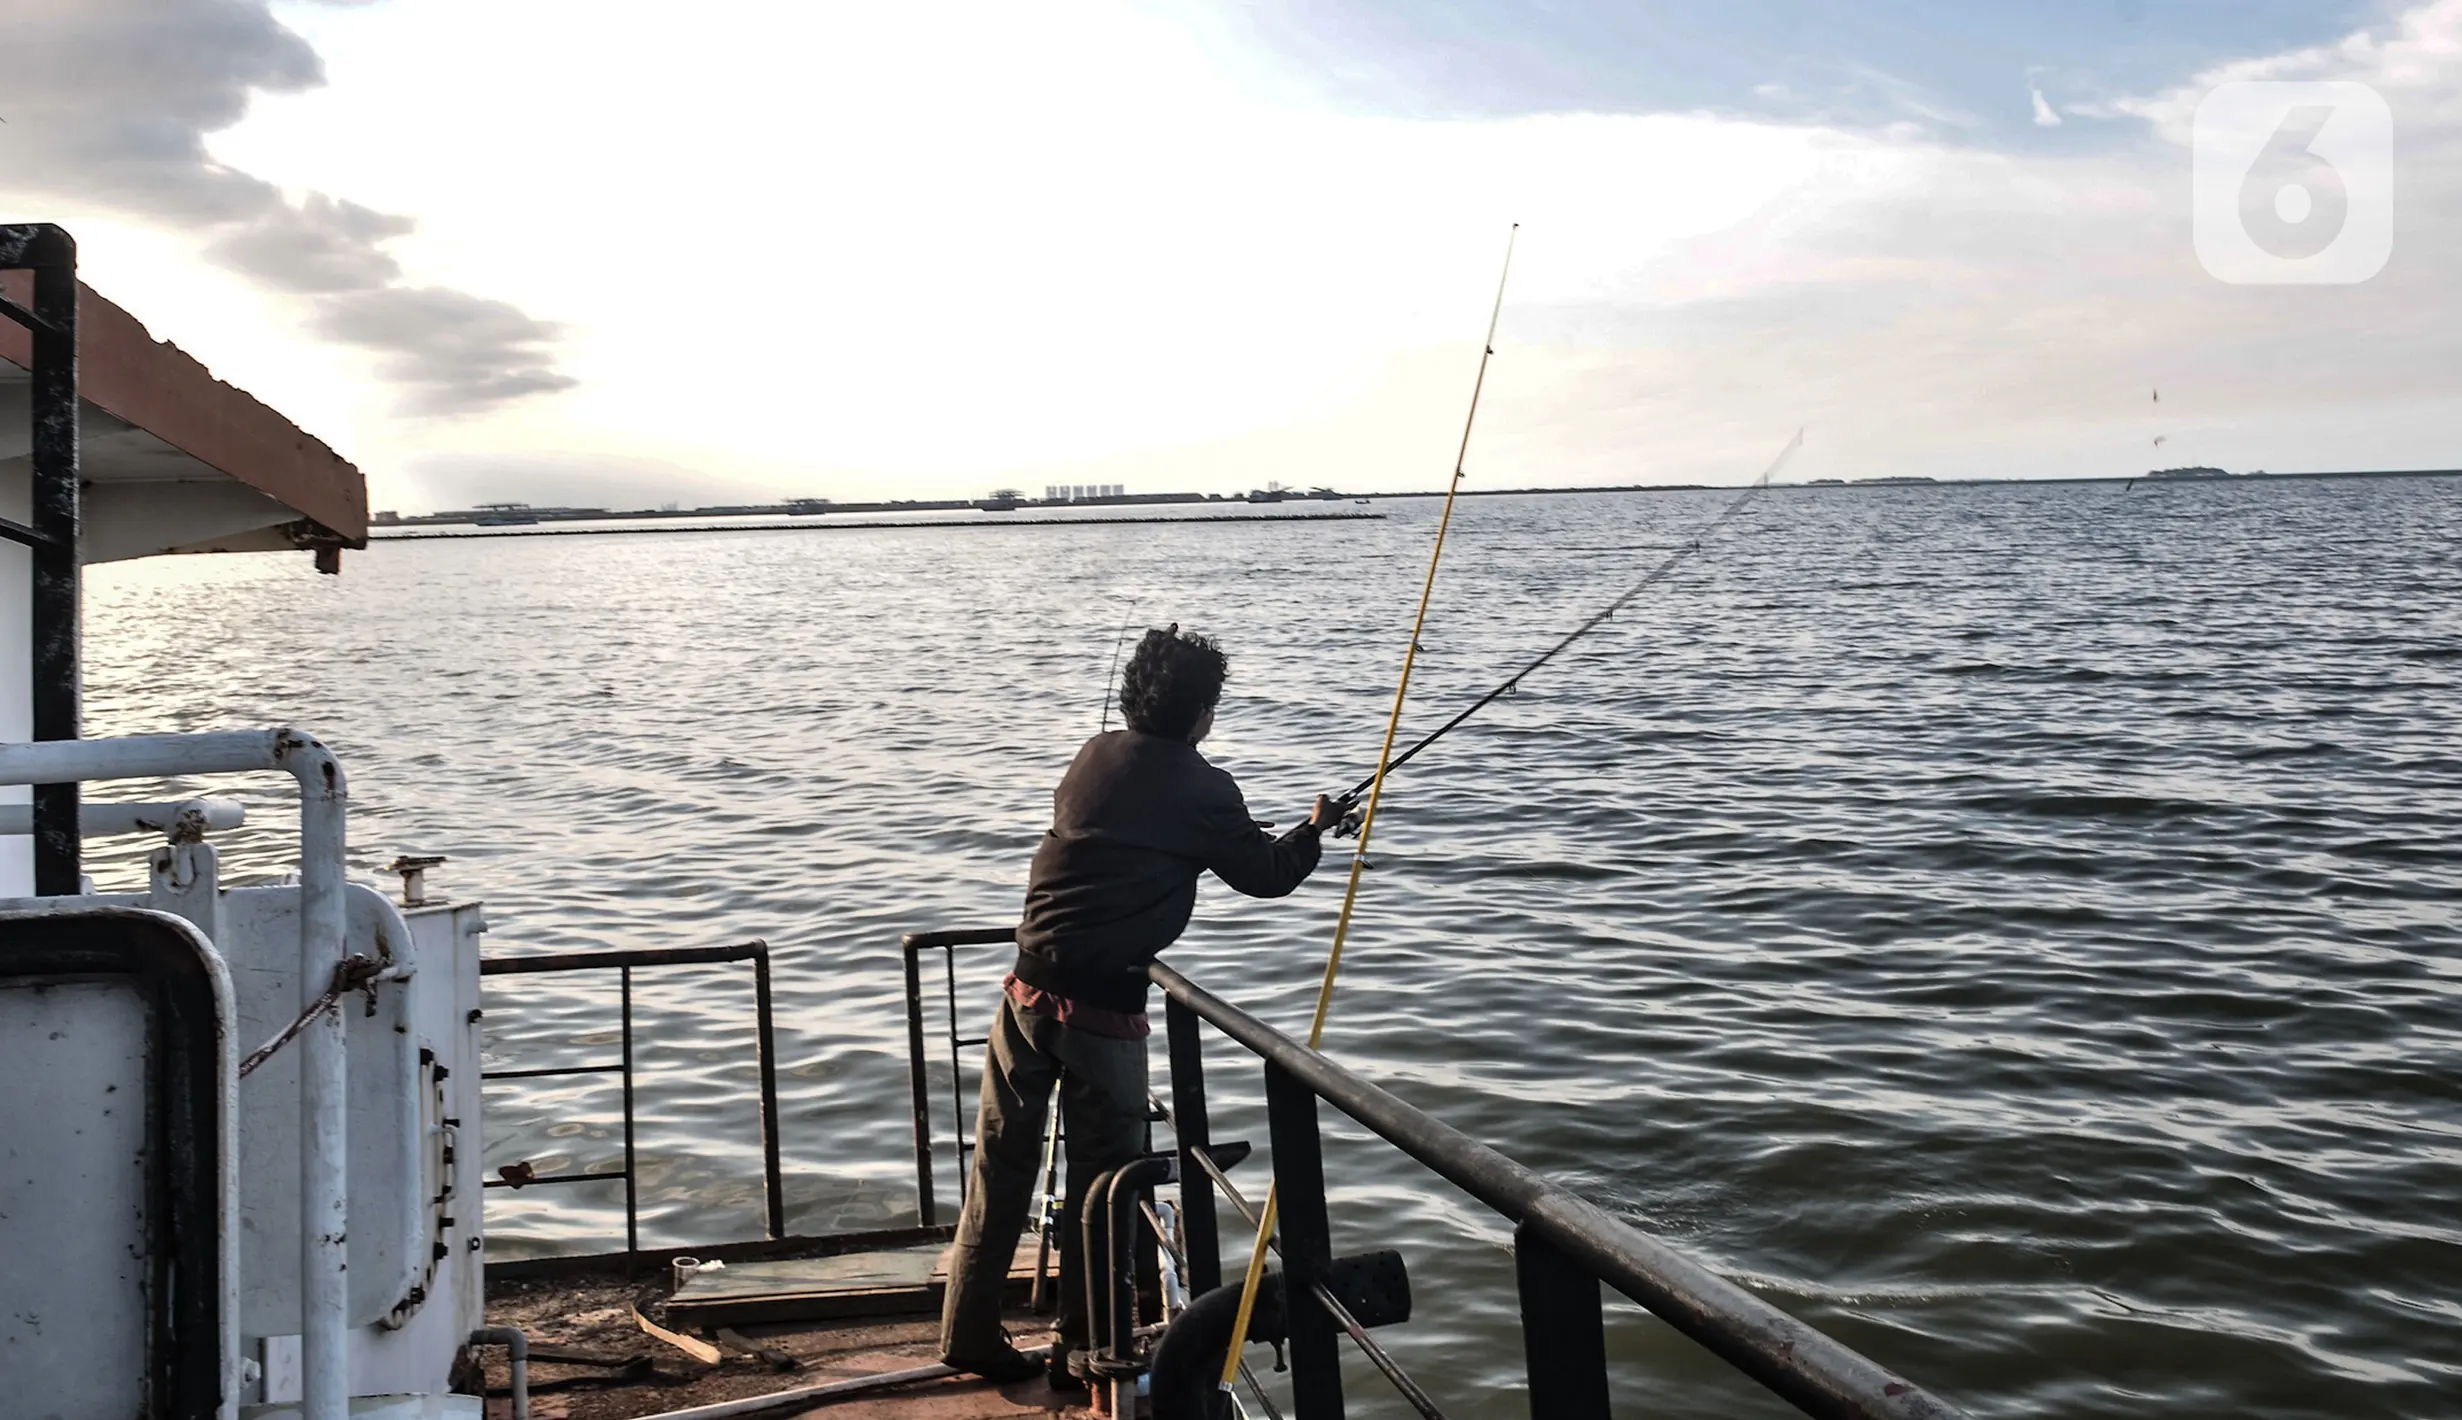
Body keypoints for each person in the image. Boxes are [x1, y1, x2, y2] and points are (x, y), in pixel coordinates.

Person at [939, 625, 1341, 1386]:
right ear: (1201, 712)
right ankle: (1086, 1349)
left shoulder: (1093, 754)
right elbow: (1266, 875)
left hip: (1023, 991)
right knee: (1106, 1183)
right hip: (1101, 1012)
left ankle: (967, 1331)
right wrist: (1316, 832)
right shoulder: (1205, 787)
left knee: (1000, 1166)